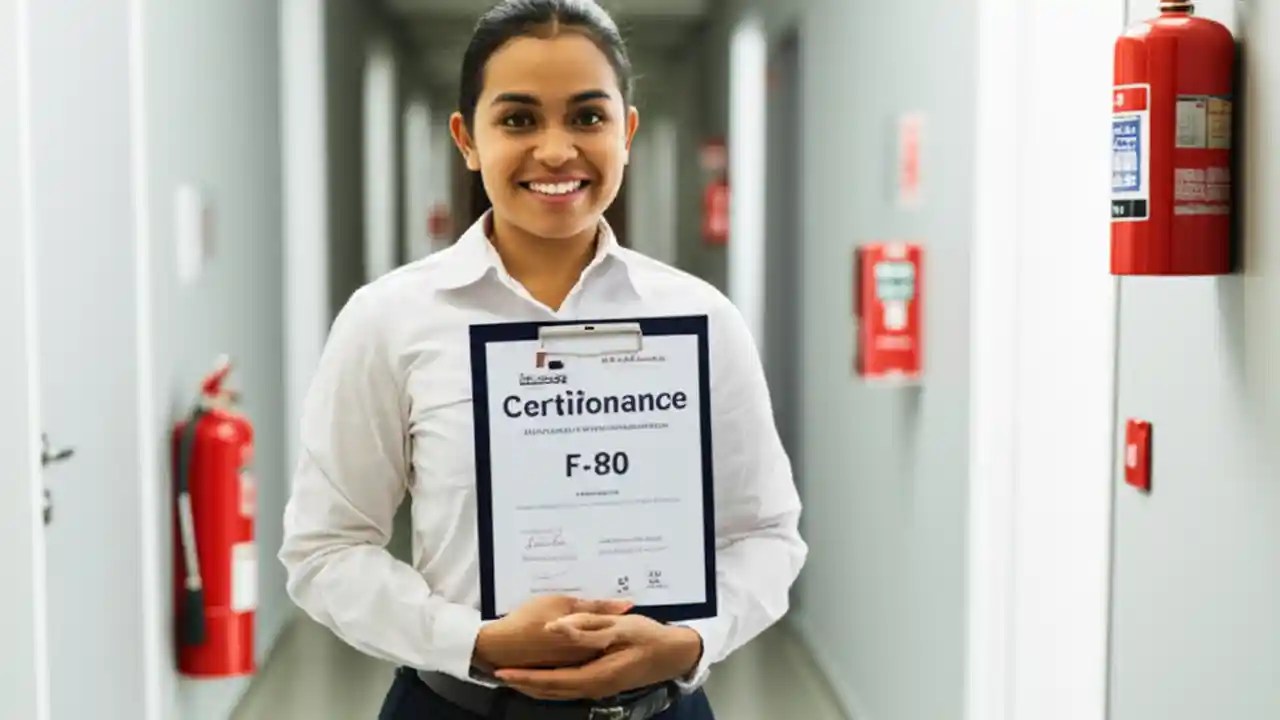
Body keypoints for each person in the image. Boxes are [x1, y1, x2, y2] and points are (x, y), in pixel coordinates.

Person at [278, 1, 807, 718]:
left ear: (628, 132)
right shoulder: (391, 320)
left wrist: (688, 642)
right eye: (519, 119)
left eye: (588, 117)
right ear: (467, 138)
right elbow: (325, 552)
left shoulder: (700, 319)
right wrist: (476, 640)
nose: (556, 151)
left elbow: (767, 538)